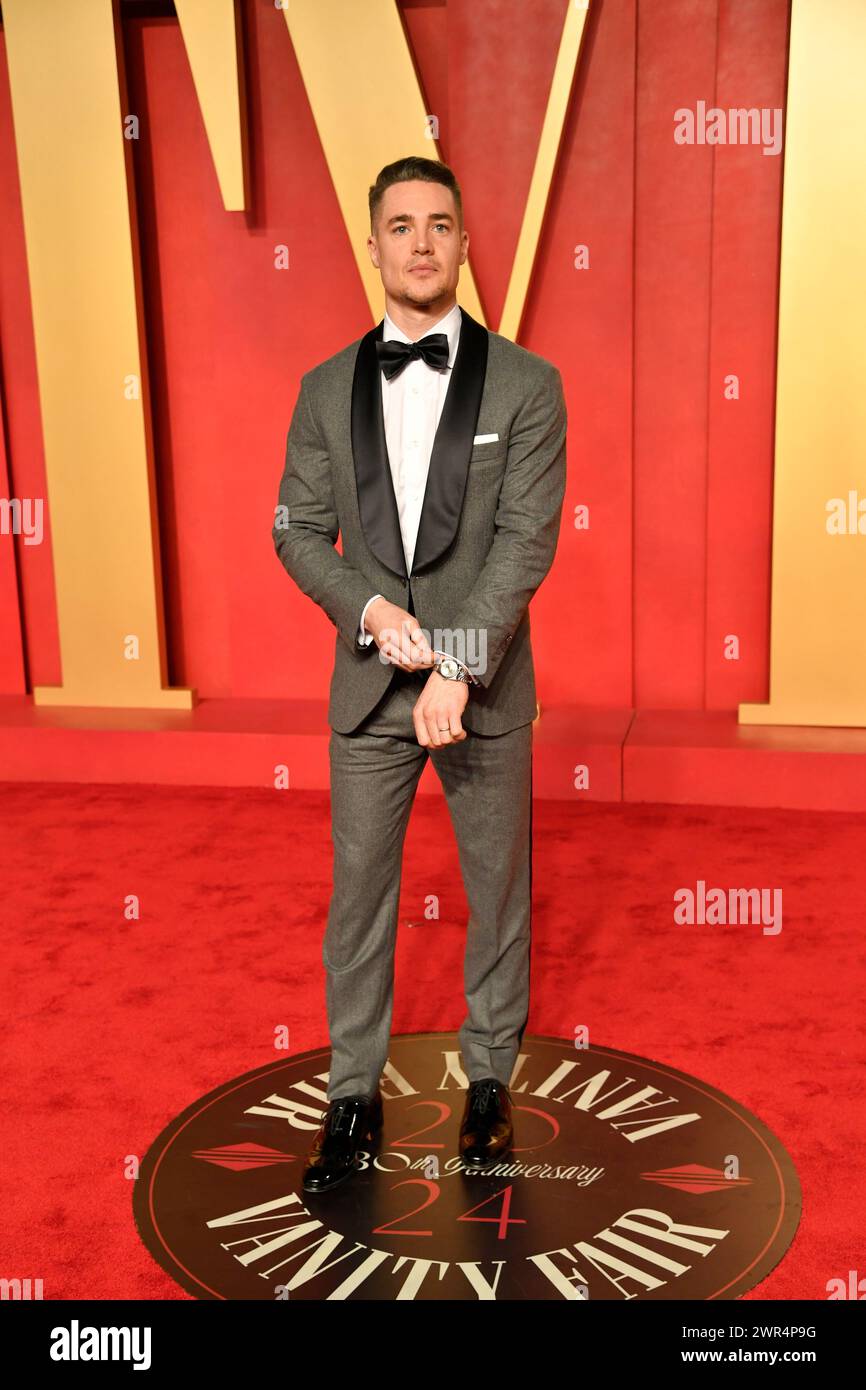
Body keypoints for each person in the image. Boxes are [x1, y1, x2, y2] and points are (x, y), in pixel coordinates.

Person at [272, 155, 567, 1193]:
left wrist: (457, 663)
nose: (421, 242)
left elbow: (524, 542)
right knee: (358, 899)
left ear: (462, 241)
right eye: (400, 226)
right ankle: (352, 1096)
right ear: (373, 243)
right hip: (367, 685)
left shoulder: (528, 383)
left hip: (479, 688)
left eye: (439, 223)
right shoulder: (321, 388)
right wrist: (367, 607)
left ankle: (488, 1086)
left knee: (497, 893)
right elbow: (296, 530)